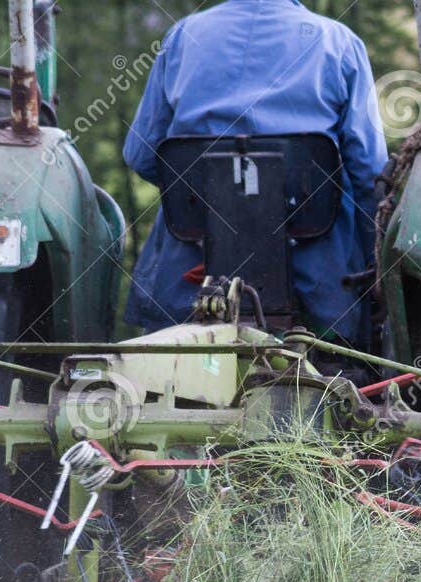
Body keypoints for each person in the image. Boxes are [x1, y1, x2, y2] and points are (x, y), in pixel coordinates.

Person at [123, 0, 388, 342]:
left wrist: (213, 194)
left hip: (193, 277)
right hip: (315, 284)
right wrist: (375, 266)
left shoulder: (183, 36)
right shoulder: (338, 42)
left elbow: (141, 155)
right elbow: (369, 174)